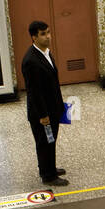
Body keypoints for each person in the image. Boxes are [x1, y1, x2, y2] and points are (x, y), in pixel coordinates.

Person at [20, 20, 68, 186]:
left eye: (48, 32)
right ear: (34, 37)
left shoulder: (46, 53)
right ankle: (48, 176)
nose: (48, 37)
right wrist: (43, 115)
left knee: (51, 140)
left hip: (52, 108)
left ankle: (50, 168)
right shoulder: (31, 61)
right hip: (42, 113)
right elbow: (34, 92)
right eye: (43, 34)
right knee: (45, 142)